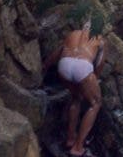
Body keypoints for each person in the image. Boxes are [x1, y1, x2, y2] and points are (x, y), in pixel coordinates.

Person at [43, 19, 106, 156]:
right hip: (83, 67)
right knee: (95, 103)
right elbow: (100, 62)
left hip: (64, 65)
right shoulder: (99, 38)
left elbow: (57, 53)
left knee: (76, 98)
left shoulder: (73, 33)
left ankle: (70, 139)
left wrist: (45, 67)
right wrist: (93, 78)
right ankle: (78, 147)